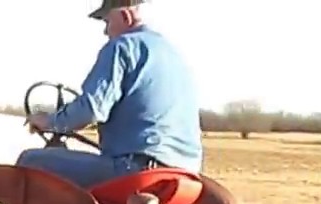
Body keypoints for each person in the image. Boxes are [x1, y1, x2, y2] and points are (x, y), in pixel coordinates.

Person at [16, 0, 203, 188]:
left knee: (30, 160)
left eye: (107, 22)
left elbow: (90, 109)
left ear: (125, 16)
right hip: (186, 173)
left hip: (135, 168)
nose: (105, 32)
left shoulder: (122, 46)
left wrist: (49, 122)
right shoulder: (172, 53)